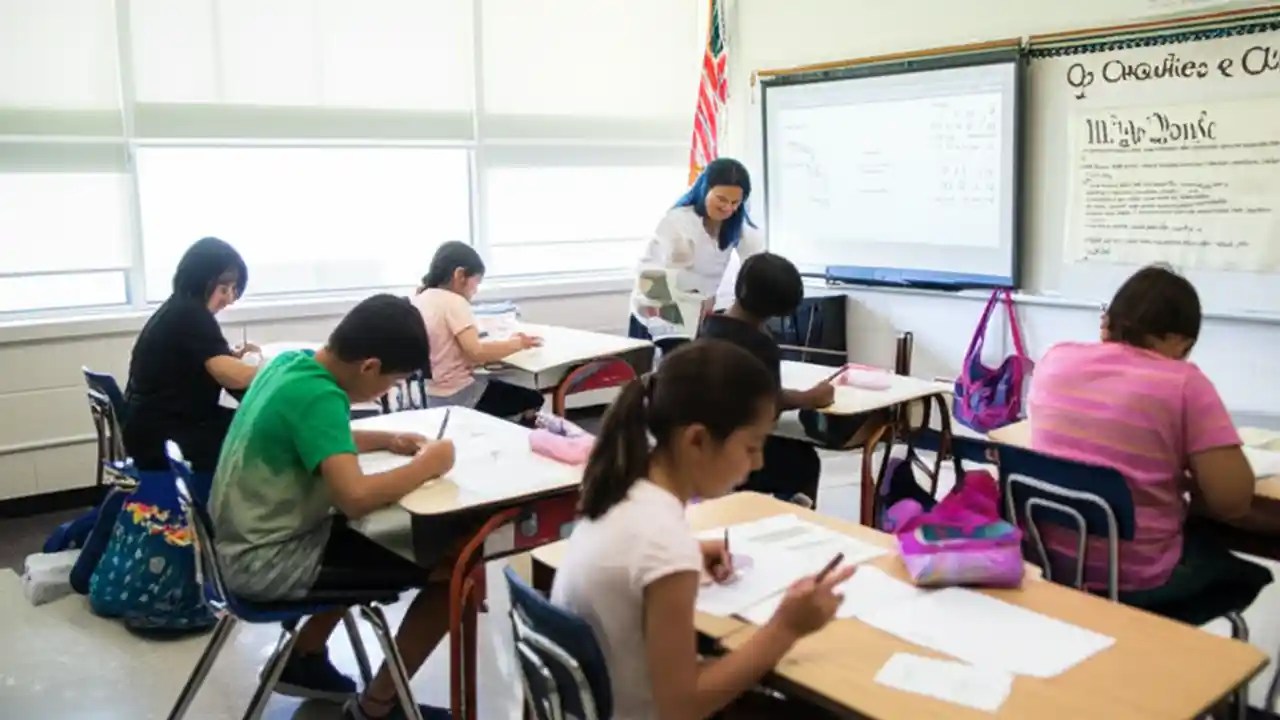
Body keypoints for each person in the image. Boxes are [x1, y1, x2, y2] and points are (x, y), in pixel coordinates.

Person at [551, 341, 854, 719]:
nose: (758, 463)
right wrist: (786, 627)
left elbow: (632, 562)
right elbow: (682, 707)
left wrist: (688, 553)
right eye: (751, 446)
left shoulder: (624, 493)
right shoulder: (662, 541)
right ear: (696, 440)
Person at [209, 294, 458, 719]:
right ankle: (377, 707)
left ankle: (303, 659)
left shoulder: (292, 365)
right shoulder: (320, 397)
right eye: (393, 382)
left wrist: (385, 438)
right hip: (267, 562)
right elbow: (355, 498)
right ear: (369, 366)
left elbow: (320, 436)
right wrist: (428, 465)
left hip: (237, 545)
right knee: (454, 571)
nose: (389, 391)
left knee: (364, 538)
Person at [1028, 265, 1273, 624]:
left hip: (1047, 560)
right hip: (1139, 580)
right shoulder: (1184, 383)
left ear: (1108, 322)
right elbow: (1232, 501)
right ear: (1179, 340)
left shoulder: (1054, 359)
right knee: (1235, 559)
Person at [699, 253, 834, 506]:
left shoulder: (711, 326)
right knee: (803, 460)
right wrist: (810, 398)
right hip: (734, 450)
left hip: (705, 445)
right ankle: (794, 518)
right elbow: (768, 408)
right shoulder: (758, 345)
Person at [122, 236, 258, 474]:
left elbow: (208, 362)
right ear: (201, 281)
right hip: (166, 434)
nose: (228, 299)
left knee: (247, 424)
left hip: (150, 425)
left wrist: (231, 360)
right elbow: (232, 378)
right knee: (262, 433)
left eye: (233, 291)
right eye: (223, 289)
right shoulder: (191, 316)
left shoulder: (178, 309)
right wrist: (276, 368)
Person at [629, 158, 765, 344]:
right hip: (660, 304)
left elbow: (755, 264)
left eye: (735, 202)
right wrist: (670, 323)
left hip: (698, 311)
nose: (728, 208)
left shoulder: (736, 226)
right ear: (704, 189)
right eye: (721, 199)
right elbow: (651, 275)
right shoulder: (678, 222)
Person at [412, 241, 546, 425]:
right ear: (460, 275)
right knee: (534, 399)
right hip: (459, 395)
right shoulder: (454, 302)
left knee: (497, 386)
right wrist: (518, 344)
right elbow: (477, 353)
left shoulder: (421, 298)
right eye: (475, 283)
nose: (475, 291)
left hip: (429, 395)